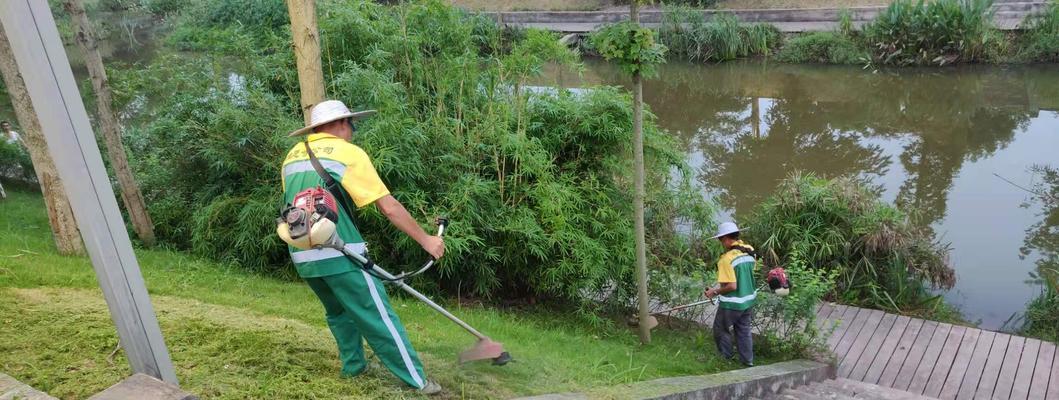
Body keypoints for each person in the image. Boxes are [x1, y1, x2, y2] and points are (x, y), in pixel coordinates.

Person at [281, 100, 445, 395]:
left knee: (338, 312)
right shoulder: (347, 153)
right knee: (378, 316)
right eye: (352, 126)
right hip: (340, 252)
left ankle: (353, 366)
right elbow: (389, 207)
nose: (353, 132)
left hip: (302, 254)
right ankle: (418, 381)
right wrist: (427, 240)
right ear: (343, 124)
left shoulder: (292, 156)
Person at [704, 221, 756, 367]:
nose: (721, 243)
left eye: (720, 239)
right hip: (748, 299)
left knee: (720, 329)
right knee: (744, 330)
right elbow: (747, 273)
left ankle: (725, 358)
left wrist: (714, 291)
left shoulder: (726, 260)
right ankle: (747, 361)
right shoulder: (749, 250)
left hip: (733, 303)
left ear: (726, 238)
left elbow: (732, 285)